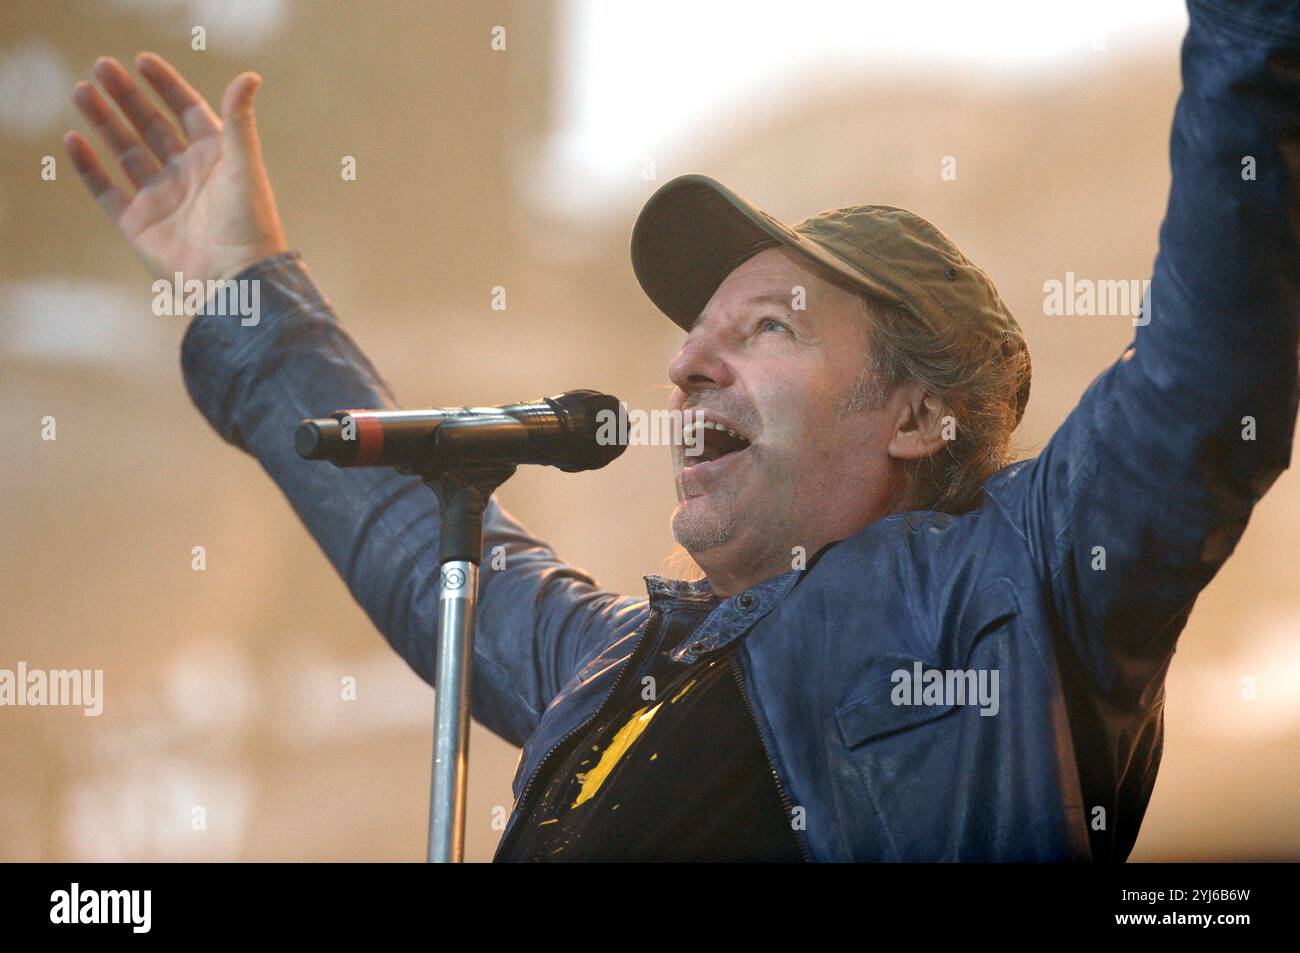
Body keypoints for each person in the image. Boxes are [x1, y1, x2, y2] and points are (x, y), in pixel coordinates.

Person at [65, 0, 1298, 861]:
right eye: (694, 332)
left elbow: (1205, 369)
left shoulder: (1016, 582)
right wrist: (241, 288)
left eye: (766, 328)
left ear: (920, 412)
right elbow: (409, 532)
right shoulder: (609, 666)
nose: (684, 361)